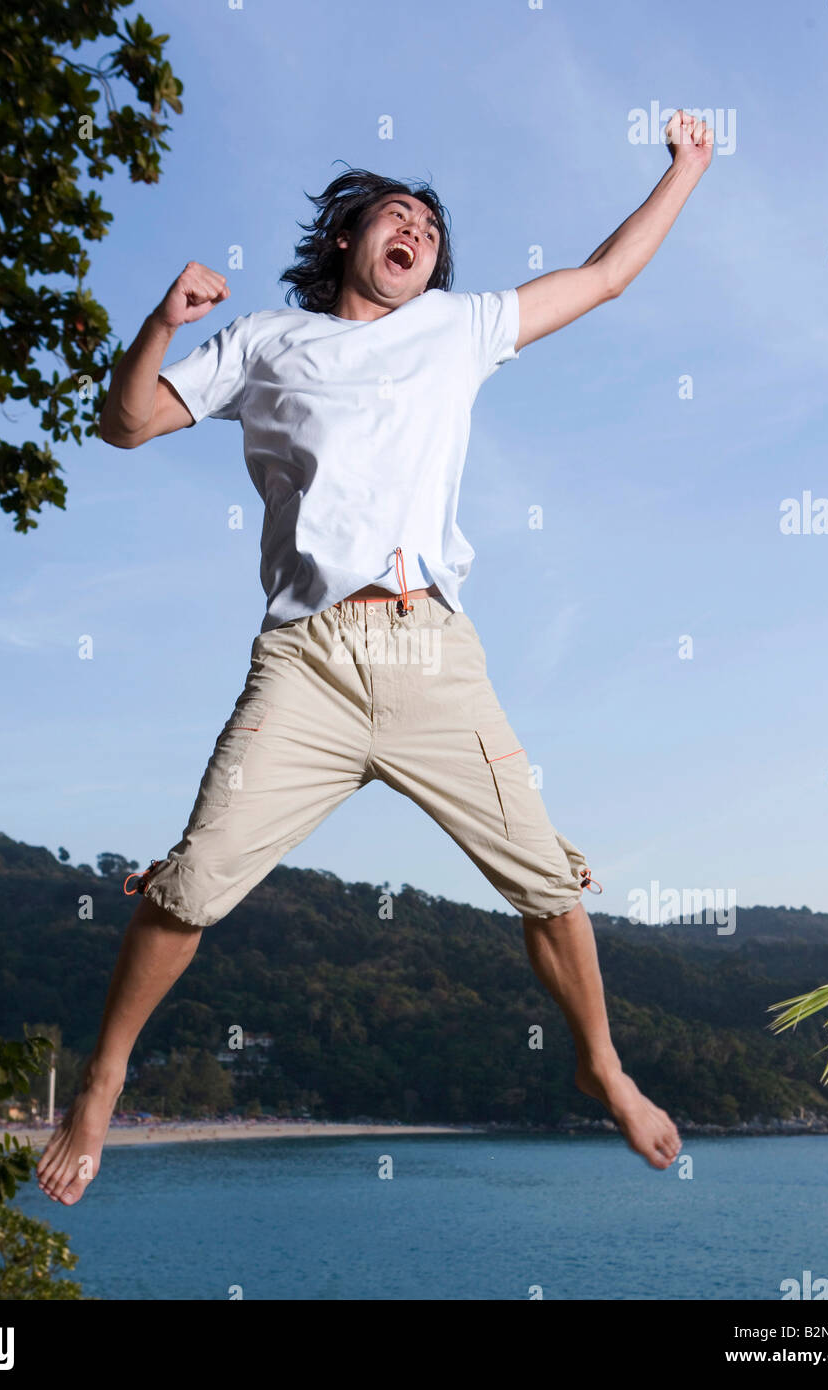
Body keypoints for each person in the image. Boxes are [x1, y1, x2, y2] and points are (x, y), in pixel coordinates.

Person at [37, 111, 714, 1205]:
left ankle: (600, 1061)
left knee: (547, 881)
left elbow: (606, 276)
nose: (418, 230)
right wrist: (160, 323)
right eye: (397, 213)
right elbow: (125, 423)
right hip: (308, 658)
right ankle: (105, 1078)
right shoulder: (265, 341)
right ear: (348, 236)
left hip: (435, 649)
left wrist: (686, 170)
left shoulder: (457, 327)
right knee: (193, 880)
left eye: (434, 227)